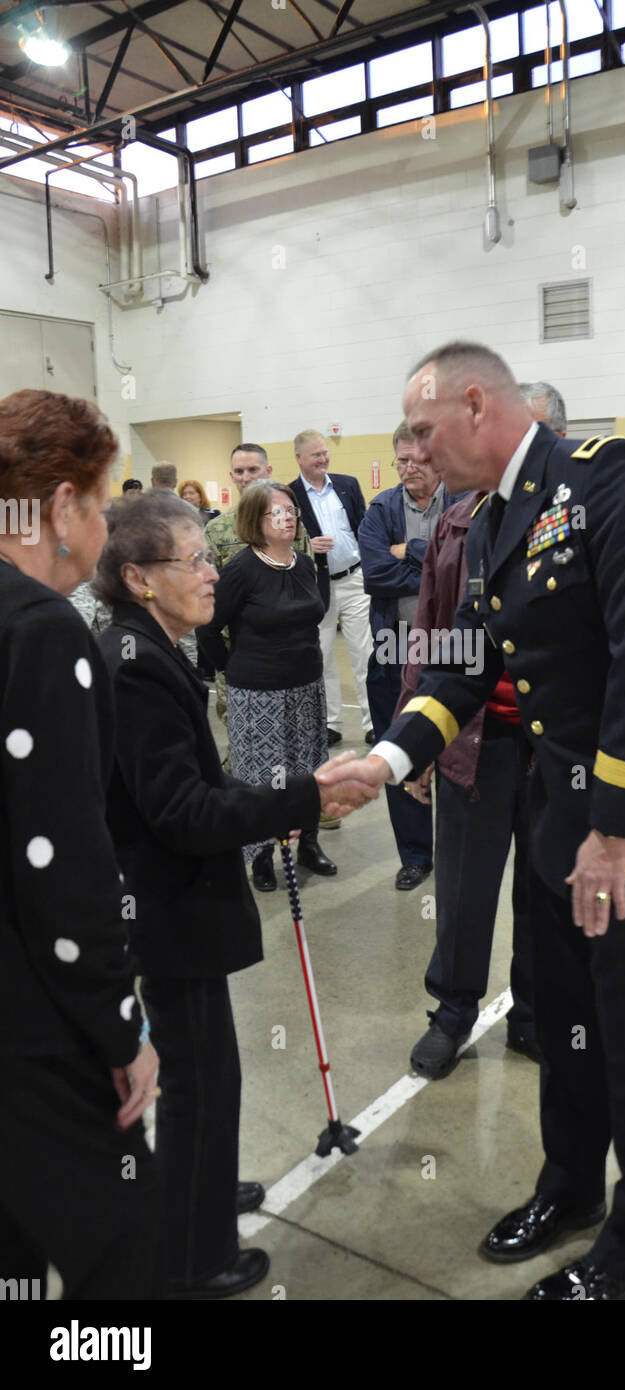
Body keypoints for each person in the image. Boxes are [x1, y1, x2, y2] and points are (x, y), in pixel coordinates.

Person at [318, 341, 625, 1302]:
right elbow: (471, 666)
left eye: (422, 431)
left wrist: (615, 831)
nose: (412, 454)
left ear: (478, 404)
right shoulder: (491, 515)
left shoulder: (611, 481)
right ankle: (571, 1191)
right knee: (567, 1029)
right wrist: (384, 760)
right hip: (560, 822)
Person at [94, 490, 376, 1299]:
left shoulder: (152, 648)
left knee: (209, 1071)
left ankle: (205, 1194)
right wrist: (300, 798)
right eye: (195, 560)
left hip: (177, 904)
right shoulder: (135, 666)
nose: (212, 574)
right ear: (141, 578)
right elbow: (181, 812)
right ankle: (196, 1251)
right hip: (166, 907)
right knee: (199, 1081)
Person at [0, 388, 161, 1300]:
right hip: (32, 1027)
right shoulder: (43, 631)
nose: (103, 526)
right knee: (122, 1255)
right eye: (100, 505)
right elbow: (60, 864)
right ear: (61, 509)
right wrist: (120, 1027)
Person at [400, 384, 571, 1076]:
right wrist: (413, 738)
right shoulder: (460, 521)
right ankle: (453, 1010)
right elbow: (431, 631)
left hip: (557, 745)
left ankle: (533, 1012)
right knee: (466, 885)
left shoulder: (580, 518)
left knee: (546, 884)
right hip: (474, 737)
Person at [197, 481, 336, 882]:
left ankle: (308, 845)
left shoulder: (305, 563)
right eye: (278, 512)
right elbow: (208, 627)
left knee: (307, 771)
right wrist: (232, 668)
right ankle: (261, 858)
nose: (288, 517)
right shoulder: (240, 569)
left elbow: (316, 614)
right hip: (257, 694)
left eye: (291, 510)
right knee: (262, 776)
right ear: (256, 521)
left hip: (307, 687)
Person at [358, 423, 450, 891]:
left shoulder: (465, 500)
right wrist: (436, 566)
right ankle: (415, 854)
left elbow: (474, 566)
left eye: (417, 459)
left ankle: (456, 849)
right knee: (399, 749)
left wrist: (412, 551)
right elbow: (376, 575)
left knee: (455, 755)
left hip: (455, 649)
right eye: (401, 461)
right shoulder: (381, 509)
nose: (409, 468)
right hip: (396, 645)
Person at [289, 430, 374, 747]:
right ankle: (330, 724)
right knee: (323, 655)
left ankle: (372, 722)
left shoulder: (348, 485)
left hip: (355, 579)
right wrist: (308, 546)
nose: (323, 459)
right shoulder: (290, 494)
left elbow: (364, 527)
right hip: (316, 585)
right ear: (299, 458)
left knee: (364, 654)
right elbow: (286, 541)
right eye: (316, 455)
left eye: (325, 452)